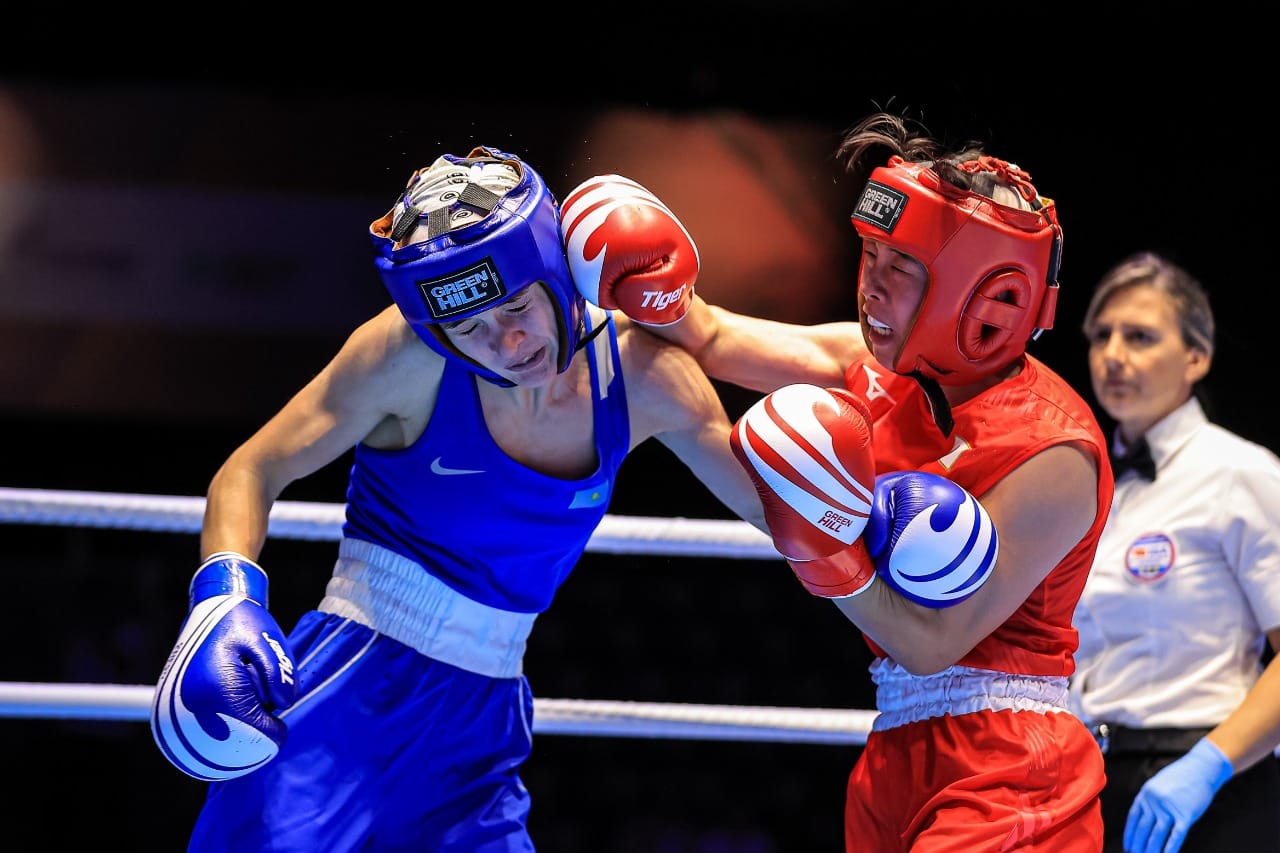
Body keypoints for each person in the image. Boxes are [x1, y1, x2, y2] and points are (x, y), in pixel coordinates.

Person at [148, 145, 768, 851]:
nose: (507, 342)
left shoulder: (646, 378)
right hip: (348, 692)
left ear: (554, 272)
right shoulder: (407, 359)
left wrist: (886, 507)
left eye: (514, 306)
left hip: (483, 718)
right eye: (469, 328)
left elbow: (780, 511)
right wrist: (225, 596)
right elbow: (252, 468)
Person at [560, 112, 1115, 850]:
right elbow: (712, 336)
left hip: (1010, 770)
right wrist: (646, 279)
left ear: (991, 298)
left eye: (902, 267)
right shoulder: (876, 361)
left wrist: (821, 548)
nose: (872, 289)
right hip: (894, 750)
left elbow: (930, 640)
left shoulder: (1056, 449)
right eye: (871, 256)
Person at [1068, 251, 1280, 853]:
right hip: (1090, 777)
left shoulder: (1240, 472)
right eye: (1101, 336)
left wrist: (1208, 766)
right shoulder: (1088, 487)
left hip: (1213, 780)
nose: (1113, 355)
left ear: (1196, 356)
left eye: (1139, 337)